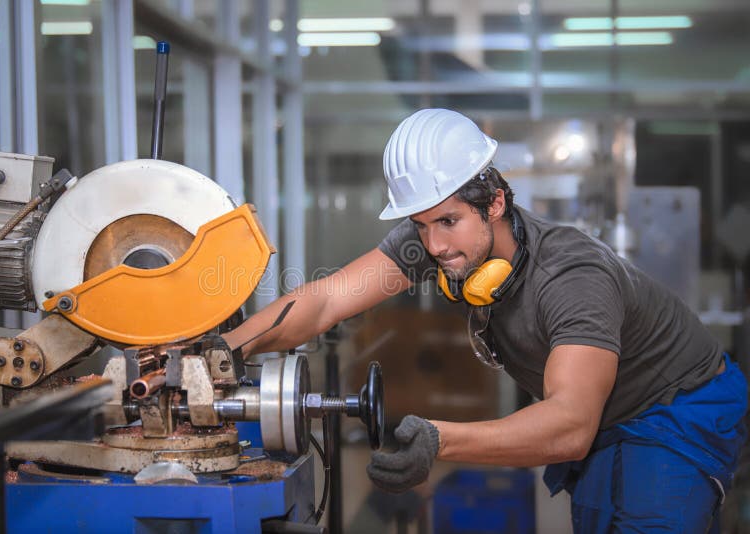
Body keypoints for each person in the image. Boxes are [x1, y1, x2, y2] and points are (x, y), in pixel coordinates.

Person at [221, 108, 747, 532]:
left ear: (494, 201)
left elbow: (569, 426)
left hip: (677, 406)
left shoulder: (571, 277)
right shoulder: (438, 239)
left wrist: (438, 439)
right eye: (421, 225)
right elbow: (327, 301)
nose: (434, 246)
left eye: (448, 221)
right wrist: (221, 352)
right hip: (605, 414)